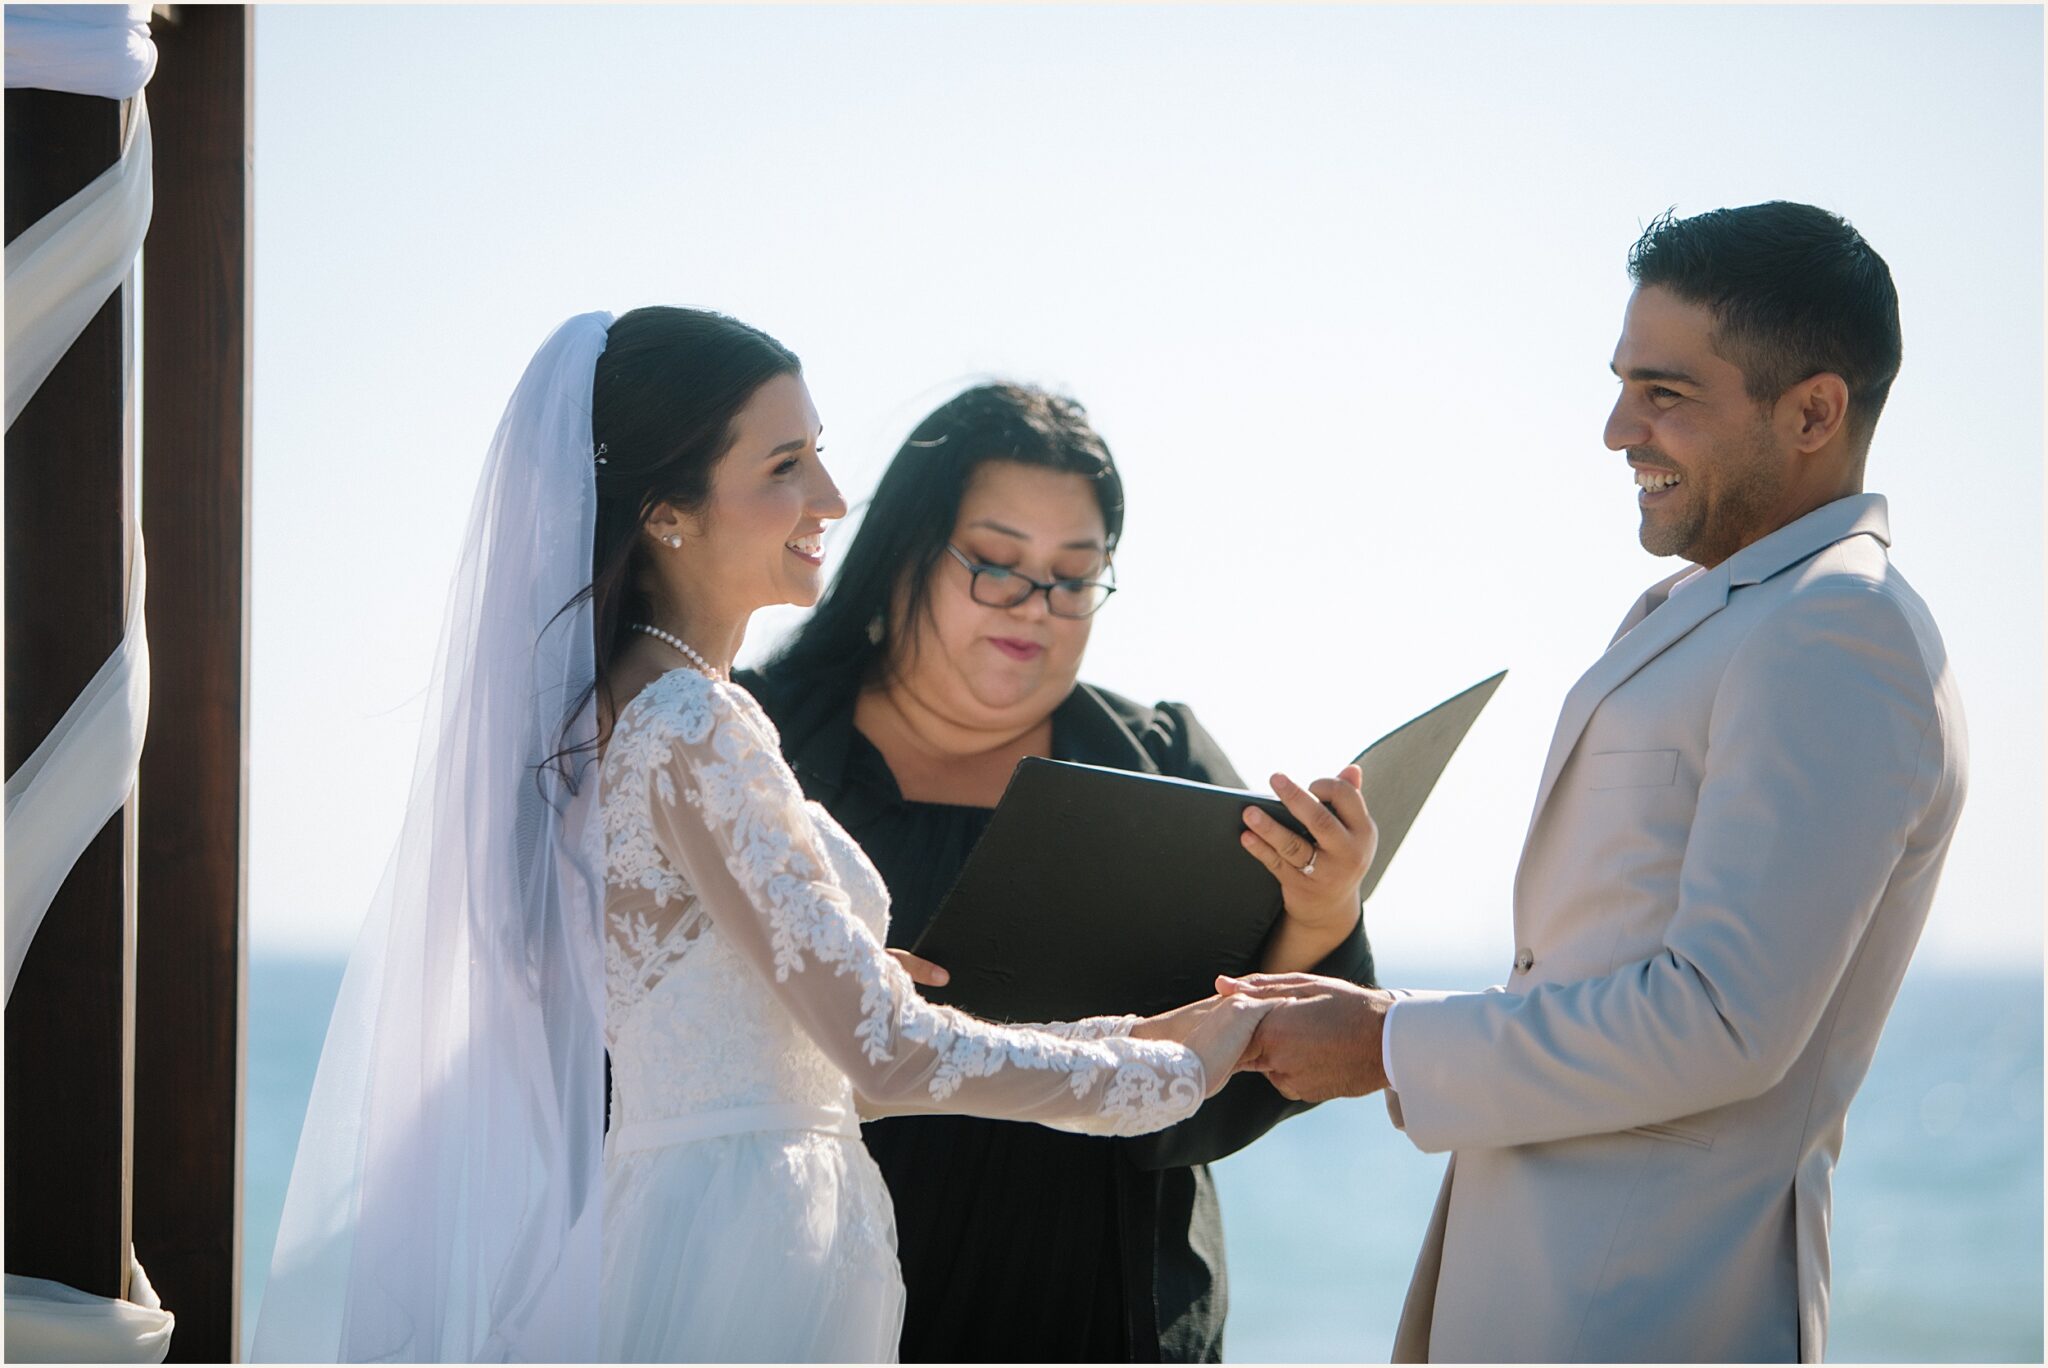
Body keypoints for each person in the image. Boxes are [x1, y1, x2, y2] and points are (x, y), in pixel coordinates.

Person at [253, 308, 1276, 1363]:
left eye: (820, 457)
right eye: (785, 465)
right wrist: (1173, 1074)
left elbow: (803, 1052)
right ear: (666, 511)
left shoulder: (620, 710)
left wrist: (1136, 1031)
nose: (831, 499)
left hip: (690, 1216)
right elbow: (884, 1057)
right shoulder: (696, 722)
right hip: (753, 1249)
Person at [1224, 202, 1968, 1363]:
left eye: (1663, 392)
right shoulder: (1719, 609)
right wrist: (1385, 1022)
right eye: (1622, 383)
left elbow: (1721, 1020)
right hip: (1547, 1293)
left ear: (1812, 410)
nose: (1617, 429)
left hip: (1650, 1310)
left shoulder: (1839, 628)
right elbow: (1597, 968)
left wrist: (1386, 1048)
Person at [740, 382, 1380, 1362]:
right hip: (820, 1297)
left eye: (1073, 578)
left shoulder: (1154, 755)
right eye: (995, 564)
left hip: (1102, 1306)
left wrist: (1322, 908)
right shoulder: (761, 744)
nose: (1035, 608)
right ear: (903, 553)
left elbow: (1247, 1053)